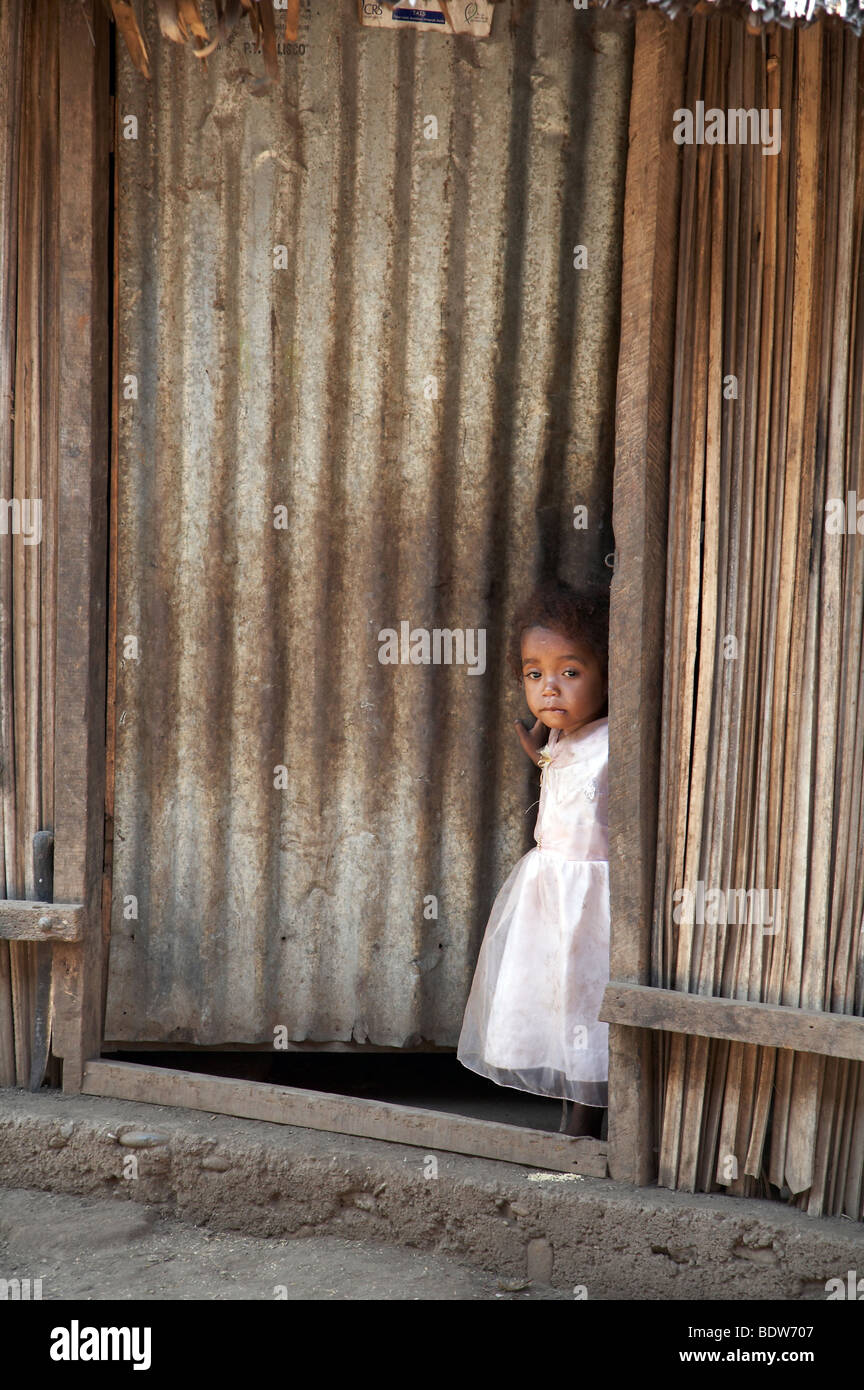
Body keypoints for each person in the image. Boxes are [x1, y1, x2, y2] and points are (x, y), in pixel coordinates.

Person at [457, 579, 610, 1139]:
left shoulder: (615, 743)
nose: (549, 689)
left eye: (570, 672)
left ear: (608, 674)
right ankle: (570, 1106)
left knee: (585, 1001)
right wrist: (541, 749)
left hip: (592, 900)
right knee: (546, 992)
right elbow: (557, 764)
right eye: (534, 673)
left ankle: (585, 1118)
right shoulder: (561, 743)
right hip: (547, 893)